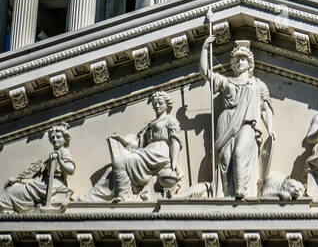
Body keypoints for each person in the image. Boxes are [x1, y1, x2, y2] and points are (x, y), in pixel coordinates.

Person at [200, 39, 273, 198]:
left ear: (250, 63)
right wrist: (205, 48)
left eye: (243, 59)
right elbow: (205, 72)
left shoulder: (257, 84)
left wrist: (270, 129)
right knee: (226, 161)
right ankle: (227, 194)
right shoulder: (226, 82)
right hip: (226, 122)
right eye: (237, 59)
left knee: (239, 152)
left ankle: (241, 189)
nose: (240, 62)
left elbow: (265, 109)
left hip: (247, 123)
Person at [87, 91, 182, 201]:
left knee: (119, 163)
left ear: (167, 104)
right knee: (113, 168)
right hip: (147, 152)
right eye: (154, 104)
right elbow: (138, 143)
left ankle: (124, 196)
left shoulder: (171, 120)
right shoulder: (150, 124)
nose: (157, 106)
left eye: (160, 103)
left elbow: (175, 141)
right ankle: (98, 197)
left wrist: (174, 163)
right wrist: (121, 139)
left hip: (159, 154)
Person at [0, 123, 74, 212]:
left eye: (58, 137)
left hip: (53, 185)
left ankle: (7, 209)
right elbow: (40, 179)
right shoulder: (54, 154)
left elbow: (71, 170)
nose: (55, 140)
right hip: (43, 184)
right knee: (14, 187)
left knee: (12, 192)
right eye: (52, 138)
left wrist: (59, 160)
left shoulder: (64, 152)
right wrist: (18, 180)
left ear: (65, 139)